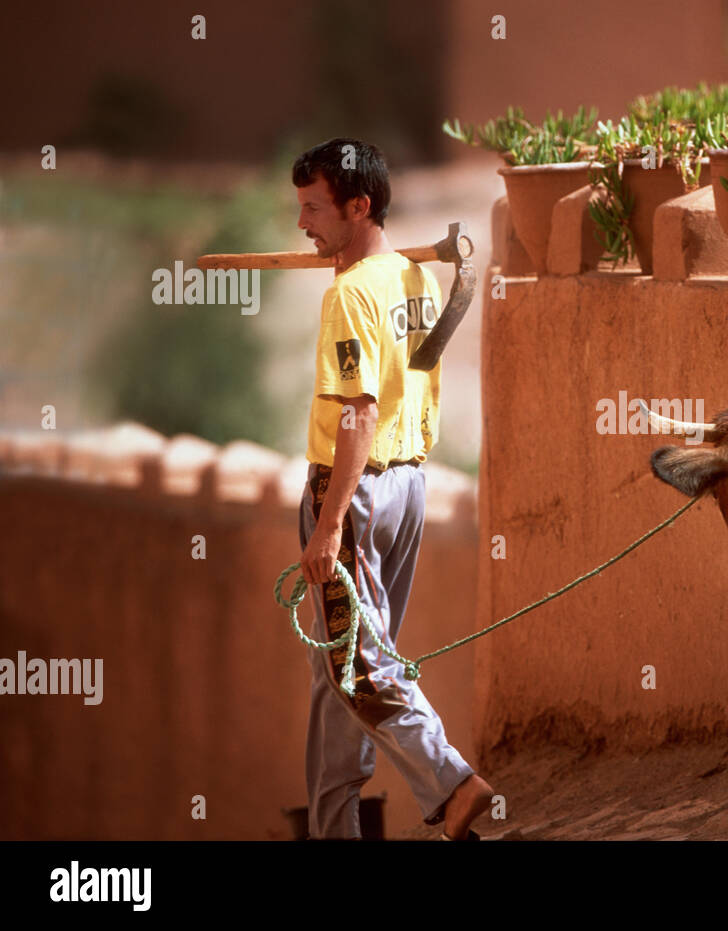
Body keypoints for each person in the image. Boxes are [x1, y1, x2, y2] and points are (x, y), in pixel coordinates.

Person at [292, 137, 492, 840]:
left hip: (353, 491)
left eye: (315, 208)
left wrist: (329, 521)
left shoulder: (350, 295)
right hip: (407, 486)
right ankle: (332, 825)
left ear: (359, 206)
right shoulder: (414, 279)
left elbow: (359, 411)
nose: (302, 224)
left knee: (359, 665)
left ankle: (452, 782)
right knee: (339, 671)